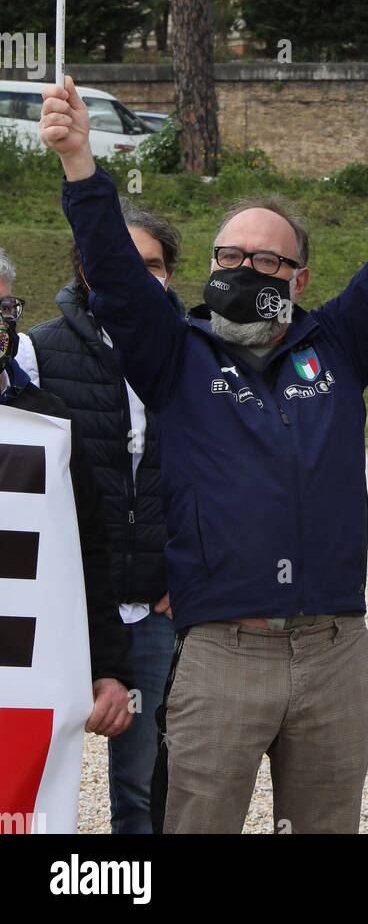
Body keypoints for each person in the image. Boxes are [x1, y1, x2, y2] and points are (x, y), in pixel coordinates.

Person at [39, 52, 368, 835]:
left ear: (297, 278)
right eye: (227, 257)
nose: (242, 269)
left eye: (265, 259)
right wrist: (78, 162)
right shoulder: (175, 355)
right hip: (223, 649)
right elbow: (119, 280)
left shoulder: (337, 345)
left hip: (334, 649)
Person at [15, 208, 184, 835]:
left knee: (145, 793)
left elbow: (222, 474)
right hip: (61, 612)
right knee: (27, 778)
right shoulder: (33, 352)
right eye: (120, 261)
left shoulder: (191, 351)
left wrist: (189, 568)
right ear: (87, 267)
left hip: (152, 612)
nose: (138, 276)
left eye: (152, 265)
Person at [0, 258, 132, 833]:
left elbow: (89, 553)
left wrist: (106, 668)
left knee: (21, 815)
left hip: (23, 681)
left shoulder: (50, 424)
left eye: (4, 310)